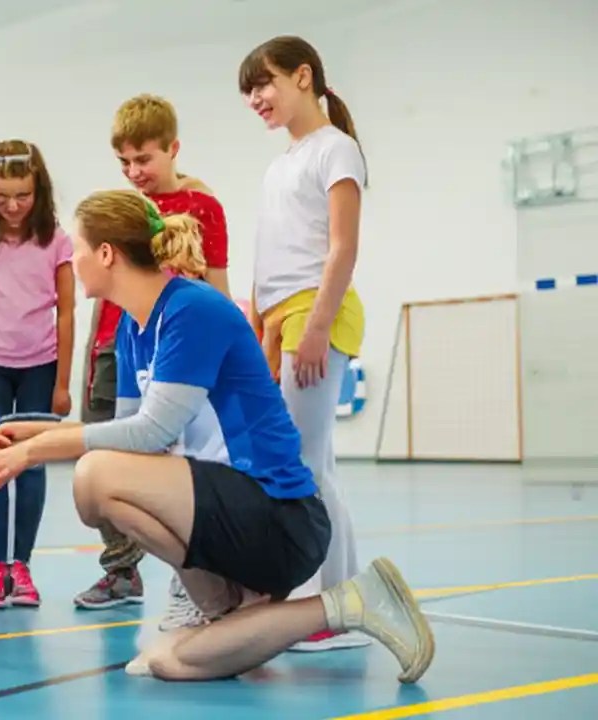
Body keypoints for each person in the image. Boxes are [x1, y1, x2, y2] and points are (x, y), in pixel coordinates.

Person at [0, 189, 433, 684]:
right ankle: (232, 610)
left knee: (93, 478)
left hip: (281, 514)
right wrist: (33, 433)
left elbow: (152, 432)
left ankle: (346, 602)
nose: (73, 261)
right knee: (170, 662)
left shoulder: (193, 309)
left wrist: (32, 452)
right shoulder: (133, 328)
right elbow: (123, 432)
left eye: (78, 250)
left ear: (106, 254)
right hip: (232, 509)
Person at [75, 94, 231, 618]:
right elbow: (104, 292)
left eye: (144, 159)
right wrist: (95, 351)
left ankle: (194, 574)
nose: (134, 171)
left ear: (173, 149)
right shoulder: (125, 209)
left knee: (176, 457)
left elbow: (217, 285)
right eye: (124, 162)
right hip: (117, 343)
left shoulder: (203, 206)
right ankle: (121, 568)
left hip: (175, 347)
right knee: (105, 449)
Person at [239, 35, 368, 652]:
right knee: (315, 464)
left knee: (306, 466)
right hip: (279, 320)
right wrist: (260, 328)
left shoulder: (336, 149)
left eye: (263, 83)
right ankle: (343, 602)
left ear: (303, 76)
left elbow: (342, 247)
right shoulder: (280, 164)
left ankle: (334, 608)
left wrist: (316, 326)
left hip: (316, 314)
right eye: (249, 92)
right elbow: (270, 255)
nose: (256, 98)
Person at [0, 140, 73, 608]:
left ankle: (21, 565)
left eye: (23, 195)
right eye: (2, 196)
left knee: (32, 461)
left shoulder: (56, 241)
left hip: (40, 365)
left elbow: (66, 313)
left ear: (39, 192)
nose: (13, 206)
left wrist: (62, 383)